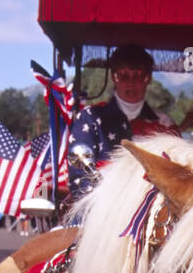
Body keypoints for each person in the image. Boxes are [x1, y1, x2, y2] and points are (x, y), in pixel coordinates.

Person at [66, 44, 180, 198]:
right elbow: (80, 178)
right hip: (100, 208)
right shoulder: (90, 118)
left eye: (138, 75)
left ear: (148, 78)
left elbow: (176, 177)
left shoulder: (165, 125)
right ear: (114, 77)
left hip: (151, 212)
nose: (131, 83)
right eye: (124, 75)